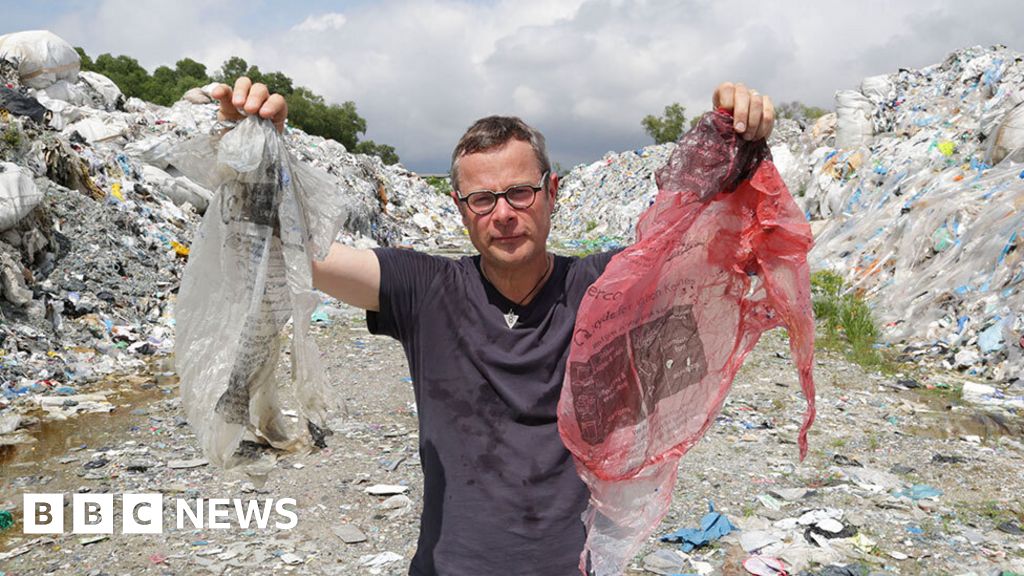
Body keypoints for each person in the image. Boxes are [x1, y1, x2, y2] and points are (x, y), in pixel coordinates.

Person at [211, 79, 774, 576]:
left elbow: (718, 244)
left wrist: (735, 141)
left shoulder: (605, 287)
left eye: (520, 193)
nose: (503, 214)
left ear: (552, 193)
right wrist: (257, 158)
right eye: (482, 199)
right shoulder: (425, 290)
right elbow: (297, 252)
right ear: (460, 209)